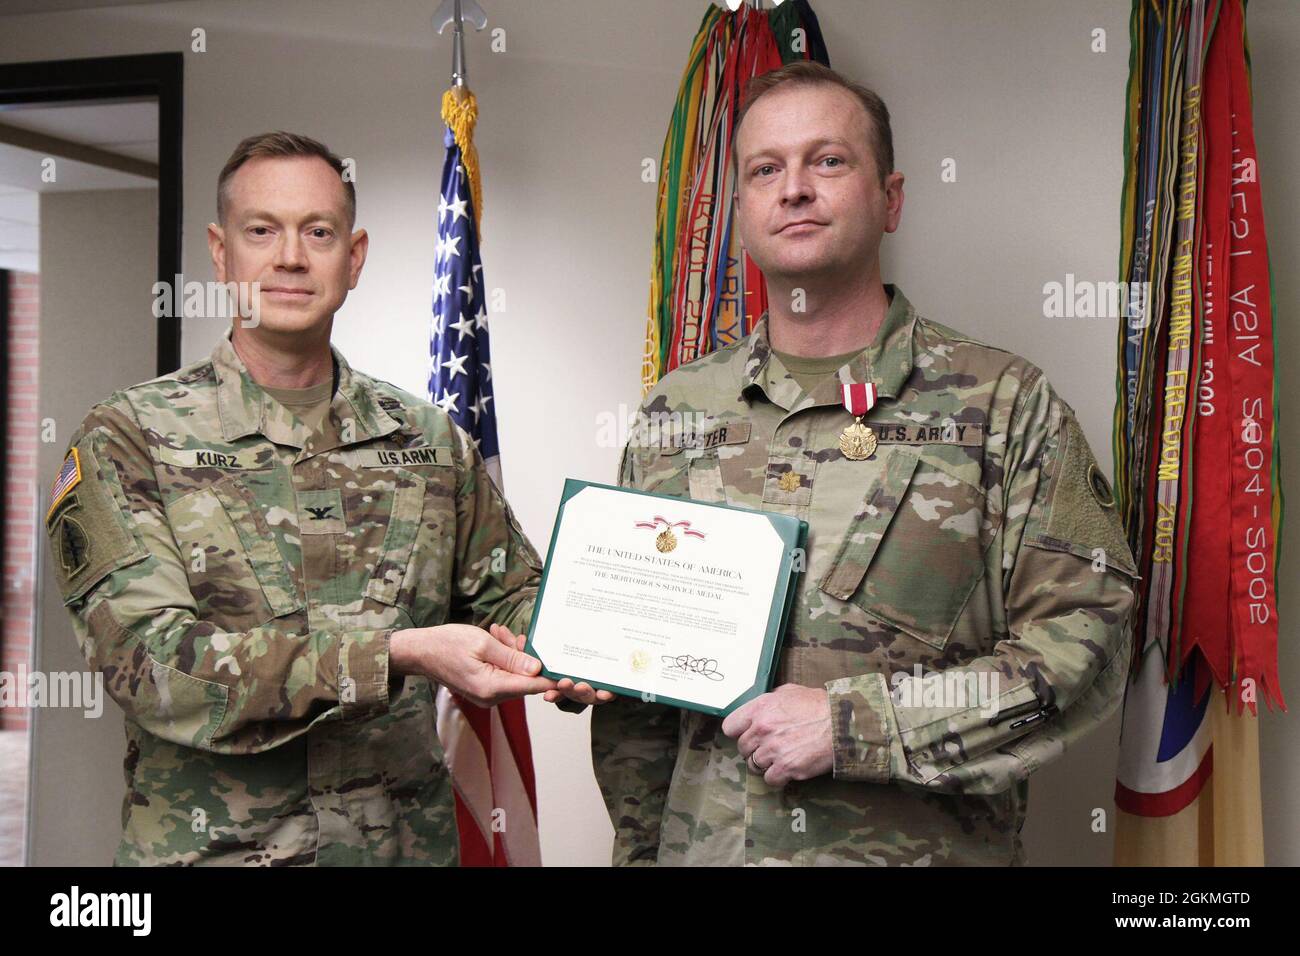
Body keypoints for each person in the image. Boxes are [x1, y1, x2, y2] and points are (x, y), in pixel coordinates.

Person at [585, 62, 1139, 865]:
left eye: (829, 160)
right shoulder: (678, 411)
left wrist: (855, 727)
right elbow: (640, 714)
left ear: (892, 197)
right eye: (765, 169)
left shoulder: (1003, 404)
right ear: (742, 209)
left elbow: (1082, 644)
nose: (795, 189)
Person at [43, 131, 565, 865]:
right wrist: (396, 654)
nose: (291, 256)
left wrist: (592, 644)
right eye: (263, 231)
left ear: (353, 259)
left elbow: (513, 595)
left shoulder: (426, 439)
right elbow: (156, 666)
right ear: (222, 253)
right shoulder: (127, 437)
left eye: (318, 232)